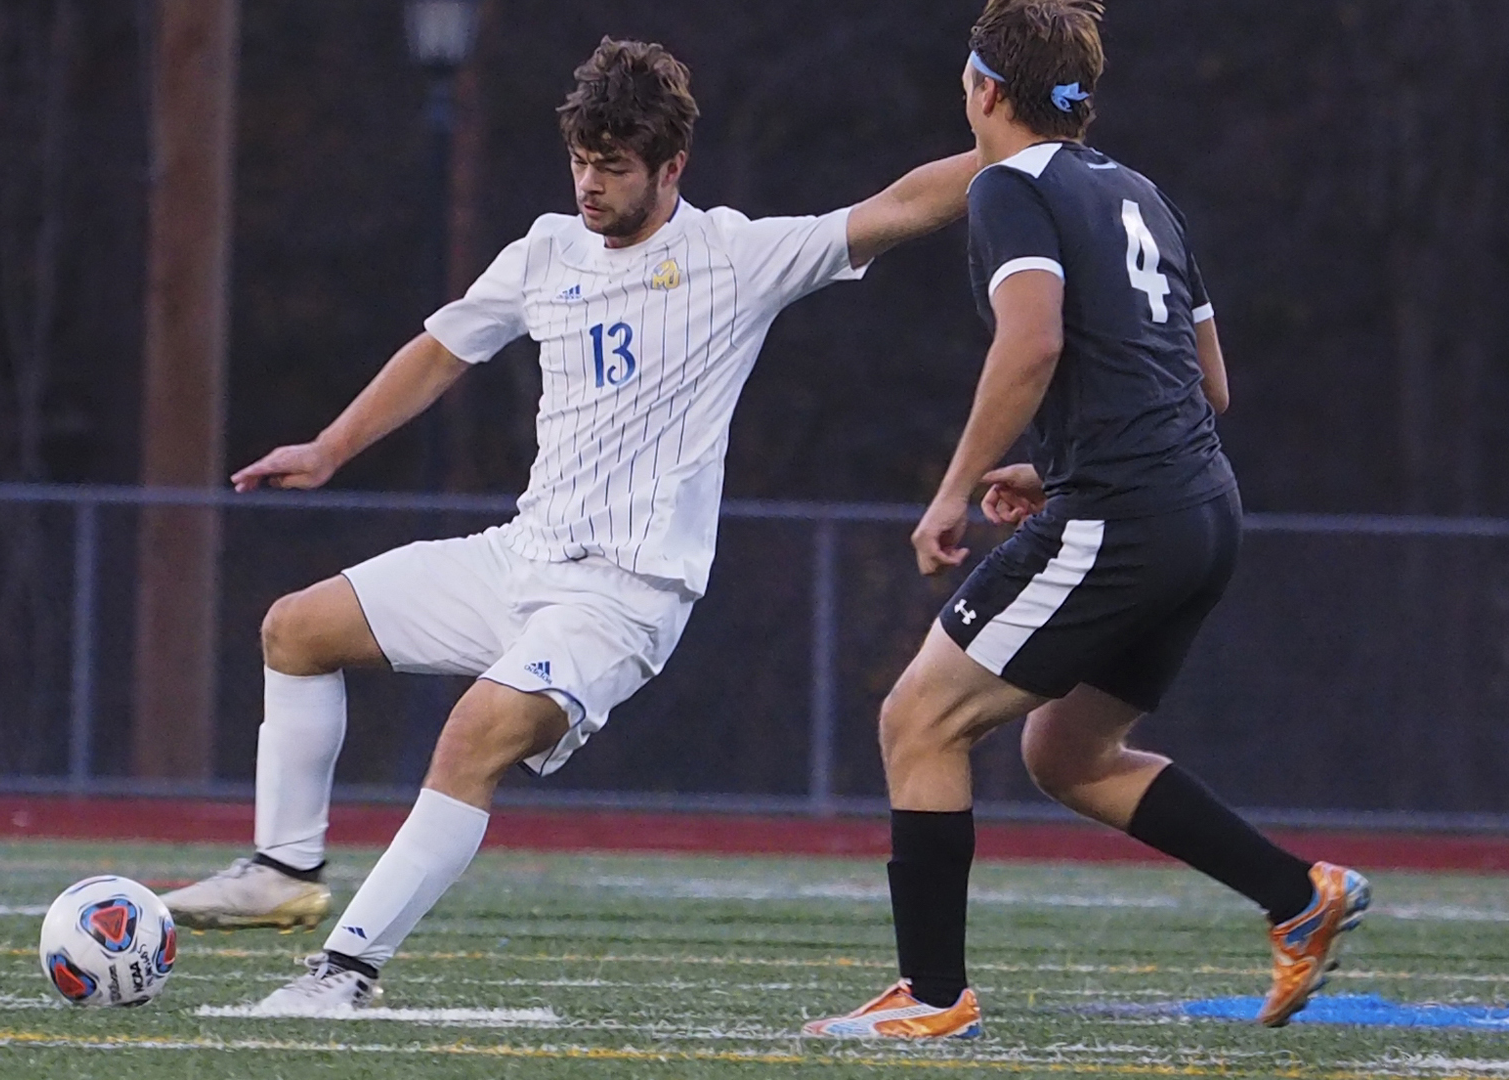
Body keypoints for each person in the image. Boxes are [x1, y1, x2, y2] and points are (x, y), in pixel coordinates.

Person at [160, 36, 978, 1014]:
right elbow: (442, 348)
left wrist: (1020, 153)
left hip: (623, 598)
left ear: (671, 168)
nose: (590, 183)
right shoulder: (545, 251)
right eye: (582, 160)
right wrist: (331, 447)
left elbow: (898, 207)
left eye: (614, 166)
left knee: (474, 735)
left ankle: (343, 974)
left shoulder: (734, 257)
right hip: (519, 558)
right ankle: (283, 869)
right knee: (296, 627)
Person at [800, 0, 1369, 1041]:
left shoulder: (1008, 186)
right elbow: (1212, 385)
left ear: (986, 90)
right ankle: (1299, 895)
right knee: (1068, 753)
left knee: (918, 721)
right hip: (1203, 509)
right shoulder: (1141, 192)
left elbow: (1031, 343)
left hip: (1126, 516)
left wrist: (953, 488)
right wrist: (1057, 460)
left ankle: (933, 997)